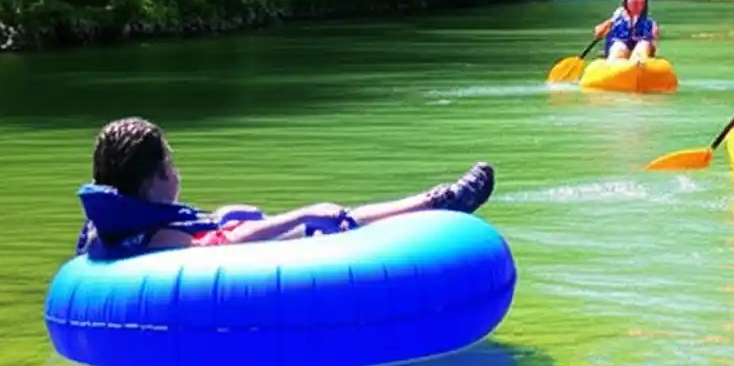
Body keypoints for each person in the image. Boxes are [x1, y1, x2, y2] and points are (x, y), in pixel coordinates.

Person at [74, 117, 495, 260]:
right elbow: (224, 248)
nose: (177, 174)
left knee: (238, 214)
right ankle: (438, 201)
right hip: (239, 271)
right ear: (152, 182)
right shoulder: (159, 236)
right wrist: (303, 212)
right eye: (171, 165)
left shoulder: (111, 229)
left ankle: (437, 200)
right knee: (330, 224)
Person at [593, 0, 660, 63]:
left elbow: (653, 47)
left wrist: (652, 44)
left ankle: (637, 63)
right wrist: (607, 26)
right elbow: (597, 33)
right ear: (627, 1)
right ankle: (617, 63)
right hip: (618, 49)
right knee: (618, 47)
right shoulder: (616, 19)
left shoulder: (651, 25)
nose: (637, 2)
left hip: (640, 55)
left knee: (643, 46)